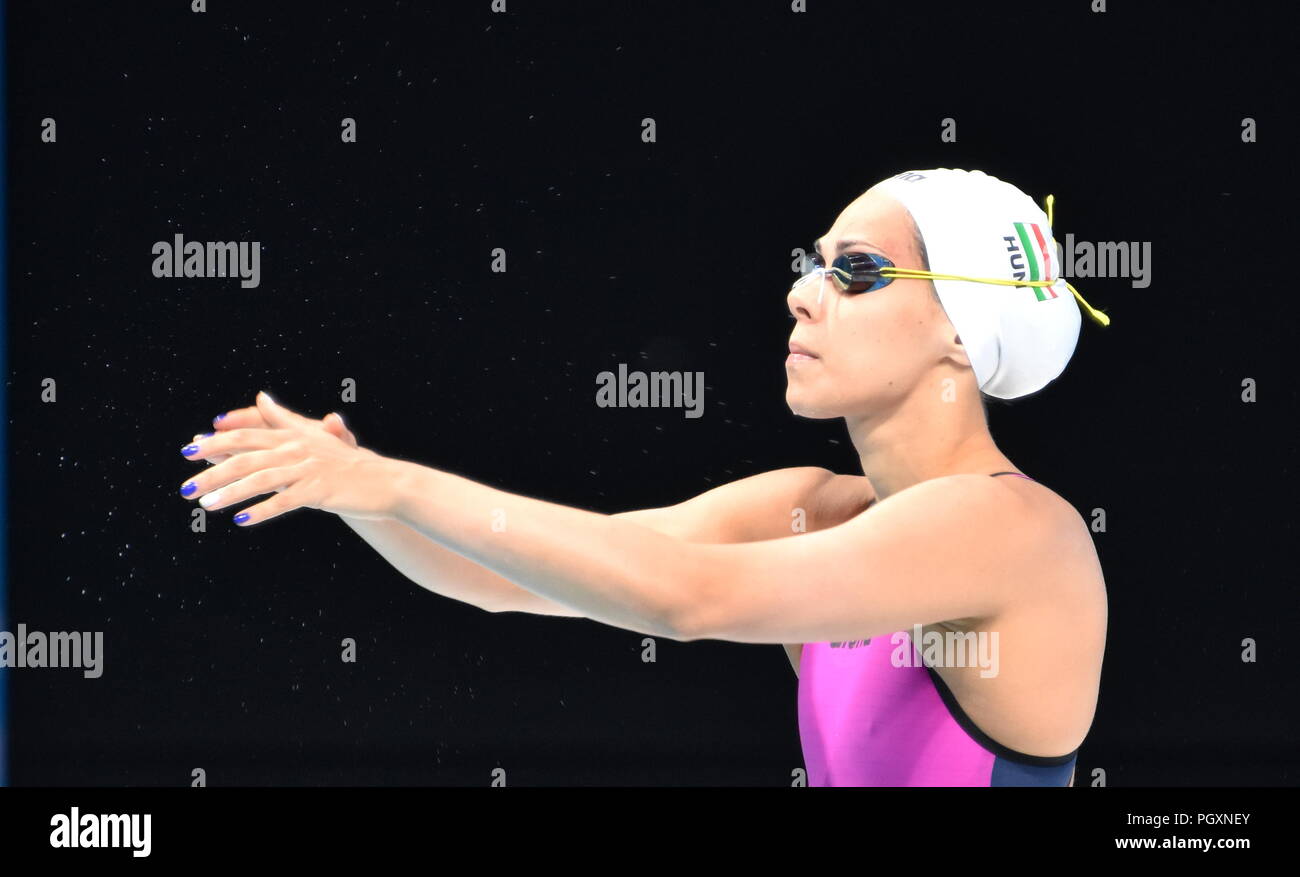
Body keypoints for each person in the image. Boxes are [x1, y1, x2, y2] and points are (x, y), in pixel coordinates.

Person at [178, 168, 1110, 786]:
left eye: (857, 271)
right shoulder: (807, 508)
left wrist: (398, 485)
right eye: (814, 263)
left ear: (963, 329)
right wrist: (350, 487)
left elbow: (689, 598)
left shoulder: (1019, 533)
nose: (802, 292)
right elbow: (506, 577)